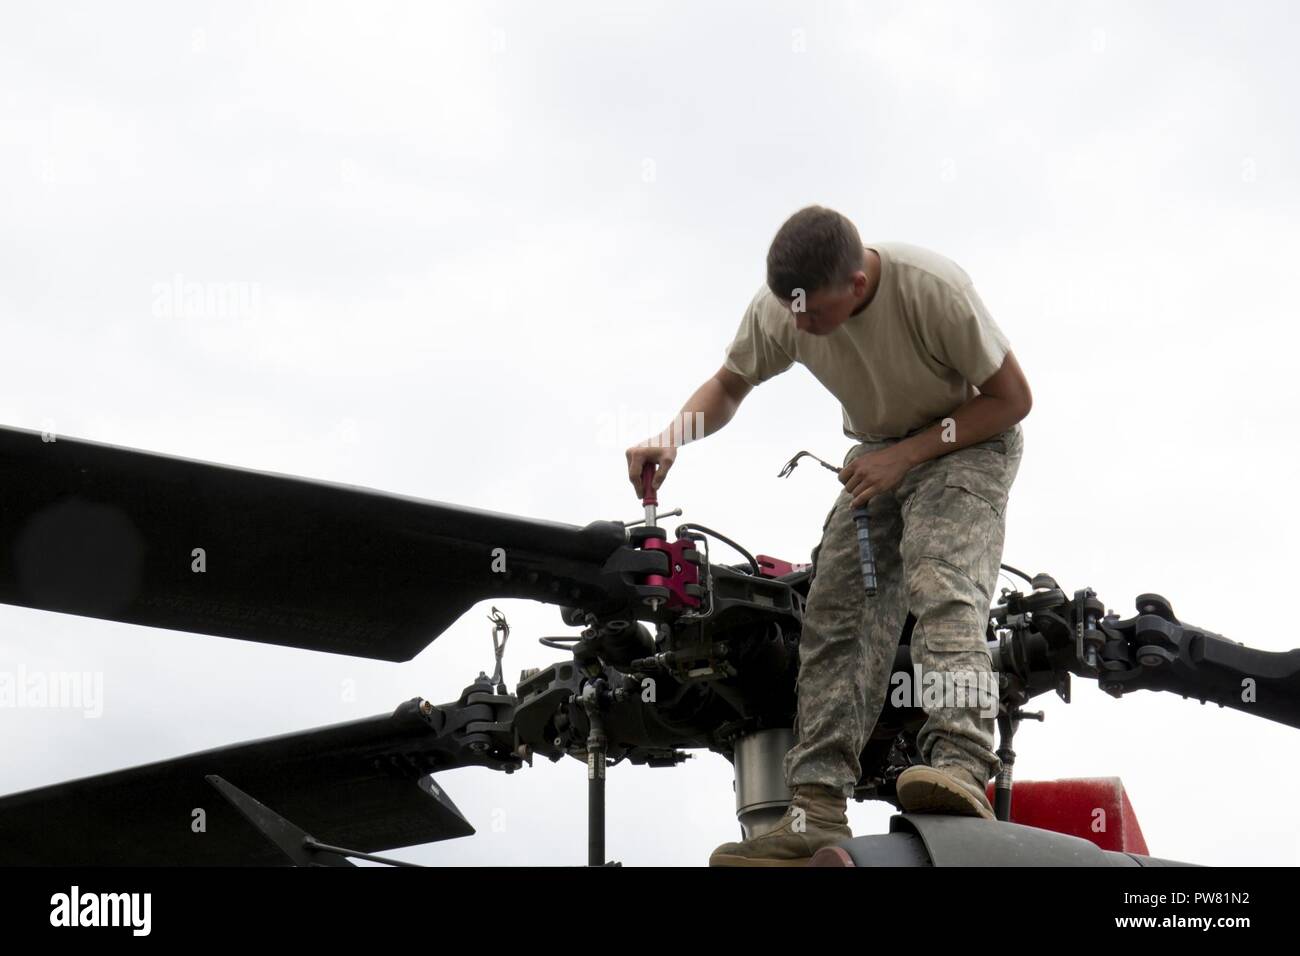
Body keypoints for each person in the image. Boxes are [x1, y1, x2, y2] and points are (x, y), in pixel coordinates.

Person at [625, 205, 1033, 866]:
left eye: (812, 314)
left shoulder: (934, 290)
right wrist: (670, 436)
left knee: (939, 580)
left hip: (967, 444)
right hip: (878, 455)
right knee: (835, 612)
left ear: (858, 286)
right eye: (791, 313)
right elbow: (731, 384)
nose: (798, 327)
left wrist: (909, 456)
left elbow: (1011, 398)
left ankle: (961, 766)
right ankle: (815, 807)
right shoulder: (786, 308)